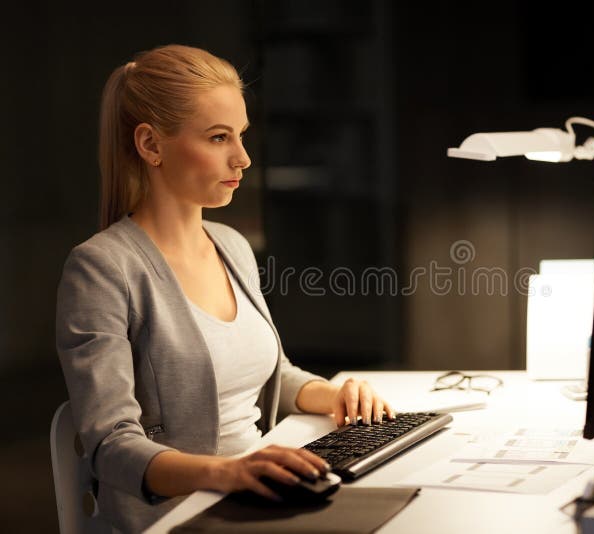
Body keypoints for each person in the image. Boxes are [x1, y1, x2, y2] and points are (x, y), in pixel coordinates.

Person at [55, 44, 394, 533]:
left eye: (240, 136)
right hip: (183, 515)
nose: (243, 158)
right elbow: (110, 447)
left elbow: (269, 375)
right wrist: (228, 473)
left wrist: (334, 395)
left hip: (255, 497)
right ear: (151, 145)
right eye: (218, 138)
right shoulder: (101, 268)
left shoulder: (231, 245)